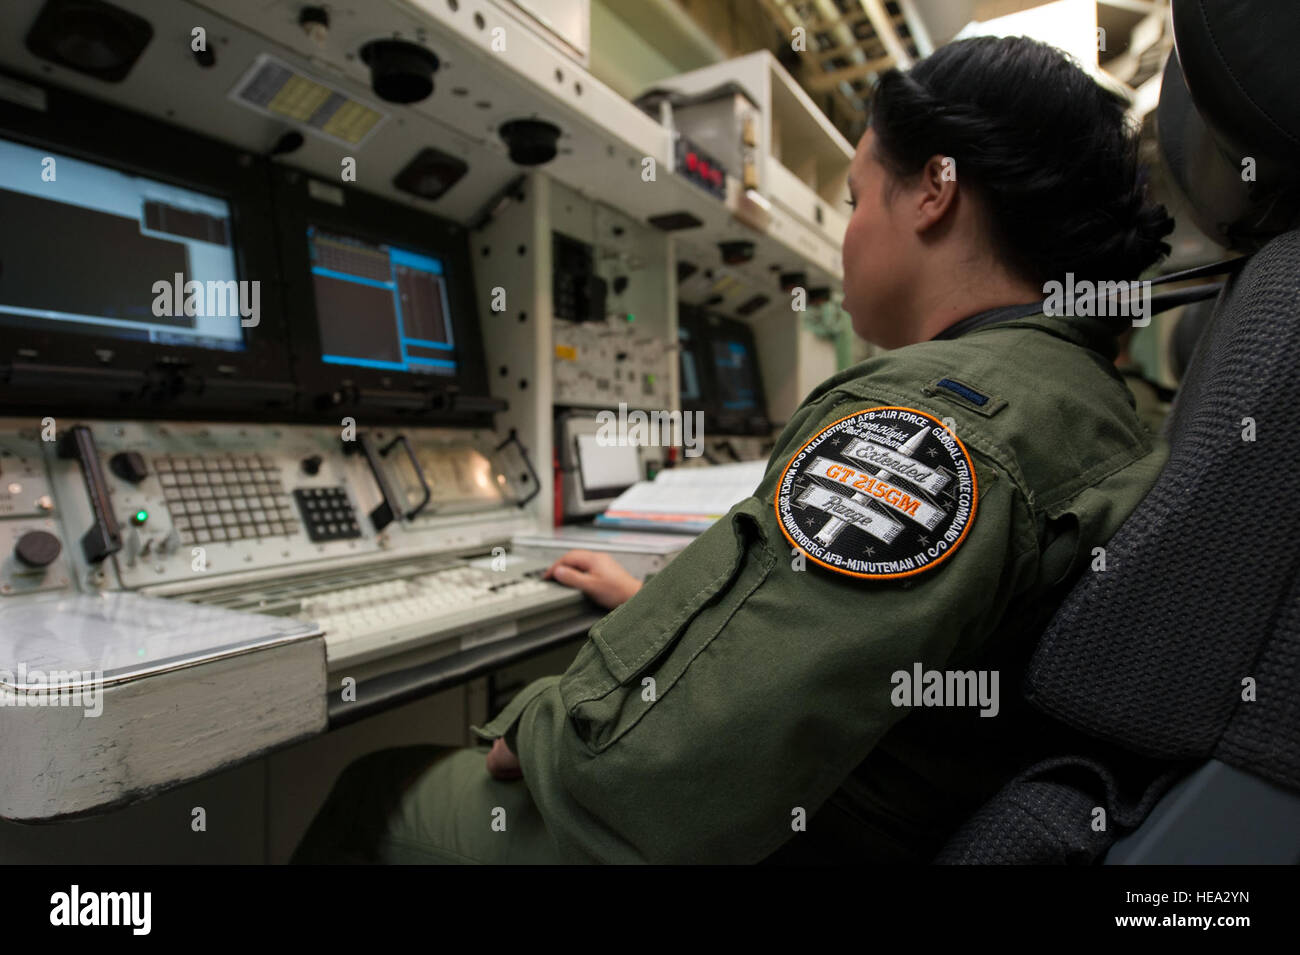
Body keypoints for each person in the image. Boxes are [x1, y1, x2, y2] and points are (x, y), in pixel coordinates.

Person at [294, 35, 1174, 865]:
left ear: (934, 192)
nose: (850, 233)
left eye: (857, 198)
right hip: (886, 811)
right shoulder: (1089, 403)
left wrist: (543, 726)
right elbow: (866, 644)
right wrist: (660, 609)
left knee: (373, 791)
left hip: (805, 836)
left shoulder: (931, 420)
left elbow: (652, 774)